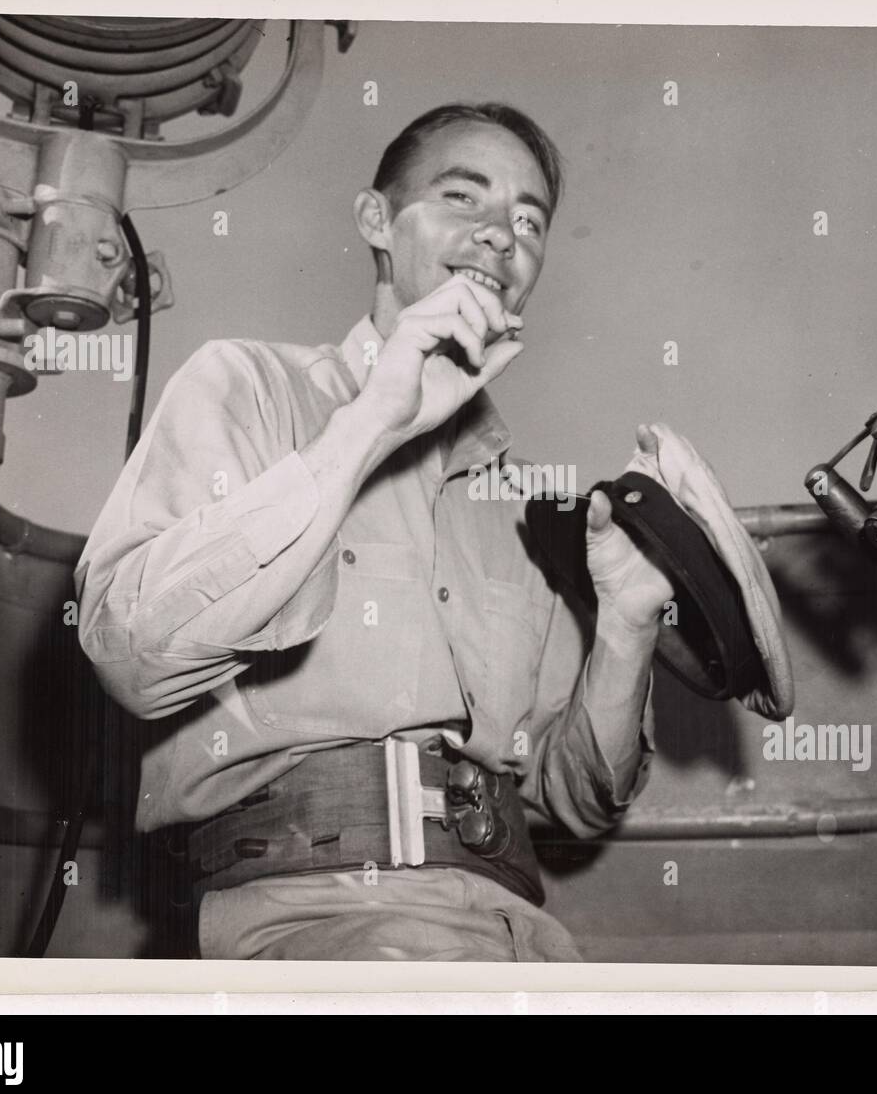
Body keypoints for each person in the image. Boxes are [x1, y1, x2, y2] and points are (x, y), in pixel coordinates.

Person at [75, 102, 675, 962]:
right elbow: (132, 649)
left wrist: (627, 622)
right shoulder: (245, 384)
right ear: (377, 222)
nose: (503, 234)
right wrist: (368, 429)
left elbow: (576, 796)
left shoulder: (522, 505)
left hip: (525, 943)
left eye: (529, 219)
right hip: (306, 926)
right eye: (464, 197)